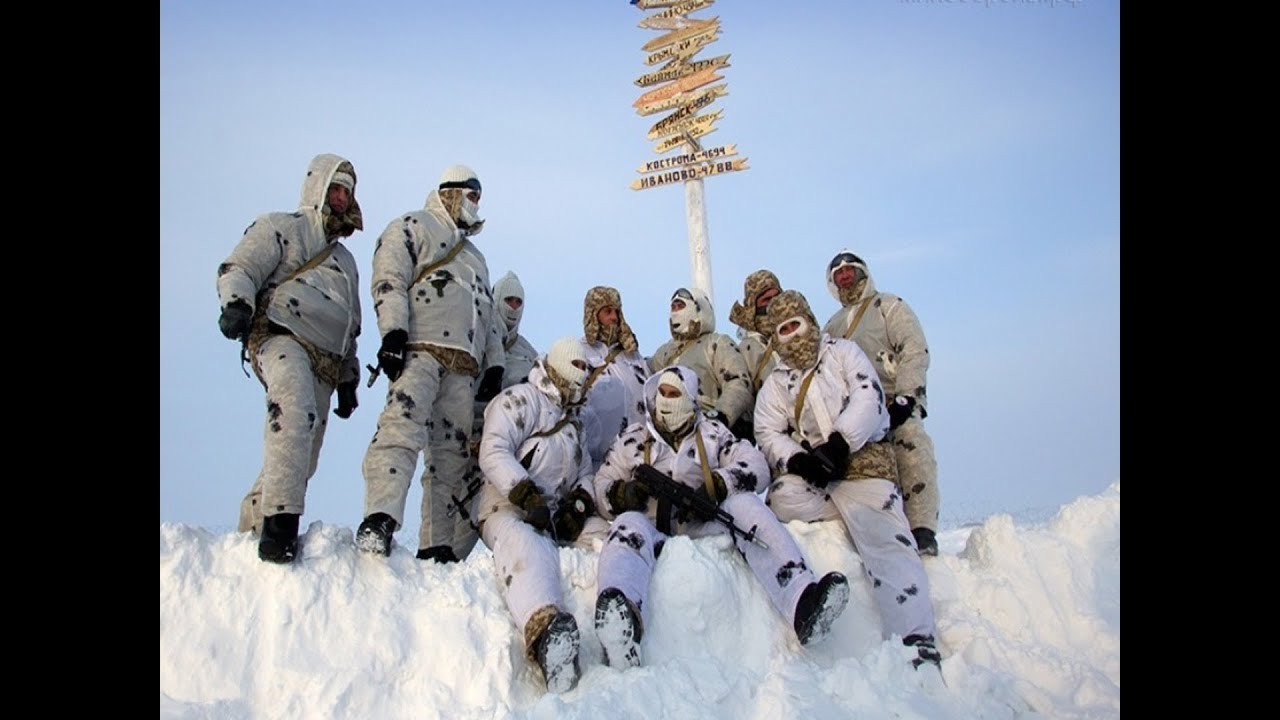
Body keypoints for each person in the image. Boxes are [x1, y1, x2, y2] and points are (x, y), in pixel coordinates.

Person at [590, 365, 851, 668]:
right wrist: (622, 494)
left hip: (702, 525)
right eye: (661, 392)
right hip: (648, 528)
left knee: (746, 506)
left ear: (689, 398)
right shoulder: (633, 437)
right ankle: (621, 621)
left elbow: (756, 465)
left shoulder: (713, 433)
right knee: (625, 526)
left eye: (674, 394)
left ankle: (802, 602)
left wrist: (719, 484)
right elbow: (602, 483)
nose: (665, 400)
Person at [756, 290, 942, 670]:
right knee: (779, 498)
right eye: (782, 331)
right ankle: (853, 515)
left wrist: (841, 443)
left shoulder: (842, 353)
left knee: (887, 546)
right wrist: (800, 461)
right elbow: (767, 430)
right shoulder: (776, 382)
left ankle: (916, 638)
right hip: (818, 480)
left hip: (861, 464)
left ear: (808, 320)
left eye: (795, 325)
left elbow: (868, 397)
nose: (791, 336)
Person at [215, 152, 364, 564]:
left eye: (347, 192)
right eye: (334, 188)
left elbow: (351, 324)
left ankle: (252, 523)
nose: (340, 197)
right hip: (281, 335)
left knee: (305, 451)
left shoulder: (346, 263)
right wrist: (236, 305)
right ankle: (280, 526)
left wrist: (349, 378)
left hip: (326, 361)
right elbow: (240, 267)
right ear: (316, 186)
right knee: (294, 411)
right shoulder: (281, 228)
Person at [356, 165, 506, 563]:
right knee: (399, 432)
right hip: (419, 349)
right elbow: (388, 277)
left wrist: (494, 365)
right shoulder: (412, 227)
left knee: (450, 458)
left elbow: (487, 315)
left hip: (462, 366)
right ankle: (380, 518)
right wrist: (392, 332)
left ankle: (435, 541)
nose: (476, 205)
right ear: (451, 193)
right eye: (472, 196)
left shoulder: (476, 258)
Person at [475, 337, 609, 693]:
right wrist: (524, 493)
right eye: (577, 367)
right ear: (560, 365)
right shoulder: (519, 401)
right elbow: (493, 449)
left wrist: (579, 507)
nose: (582, 376)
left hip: (553, 512)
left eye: (587, 369)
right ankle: (547, 630)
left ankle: (615, 611)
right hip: (506, 507)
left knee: (607, 539)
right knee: (524, 544)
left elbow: (585, 473)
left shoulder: (574, 421)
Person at [821, 250, 940, 556]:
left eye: (850, 270)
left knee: (911, 447)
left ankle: (922, 529)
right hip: (855, 412)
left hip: (892, 400)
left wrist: (907, 395)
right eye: (838, 274)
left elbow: (913, 349)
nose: (845, 276)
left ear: (863, 273)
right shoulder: (832, 327)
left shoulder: (888, 306)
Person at [453, 271, 541, 561]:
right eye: (508, 300)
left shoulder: (529, 354)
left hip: (502, 447)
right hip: (462, 436)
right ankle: (438, 564)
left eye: (519, 302)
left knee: (484, 509)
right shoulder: (471, 335)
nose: (513, 308)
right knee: (449, 507)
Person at [648, 287, 753, 439]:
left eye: (681, 306)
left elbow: (738, 382)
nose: (676, 312)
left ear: (698, 307)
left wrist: (721, 417)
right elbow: (645, 378)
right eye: (673, 307)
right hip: (670, 436)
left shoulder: (716, 343)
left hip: (711, 431)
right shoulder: (665, 352)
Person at [578, 286, 651, 465]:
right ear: (593, 314)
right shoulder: (580, 352)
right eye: (607, 312)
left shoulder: (633, 356)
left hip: (641, 455)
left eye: (617, 312)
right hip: (601, 460)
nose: (614, 318)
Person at [726, 269, 785, 440]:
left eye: (777, 296)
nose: (774, 303)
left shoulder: (801, 332)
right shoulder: (745, 350)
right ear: (753, 306)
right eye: (766, 299)